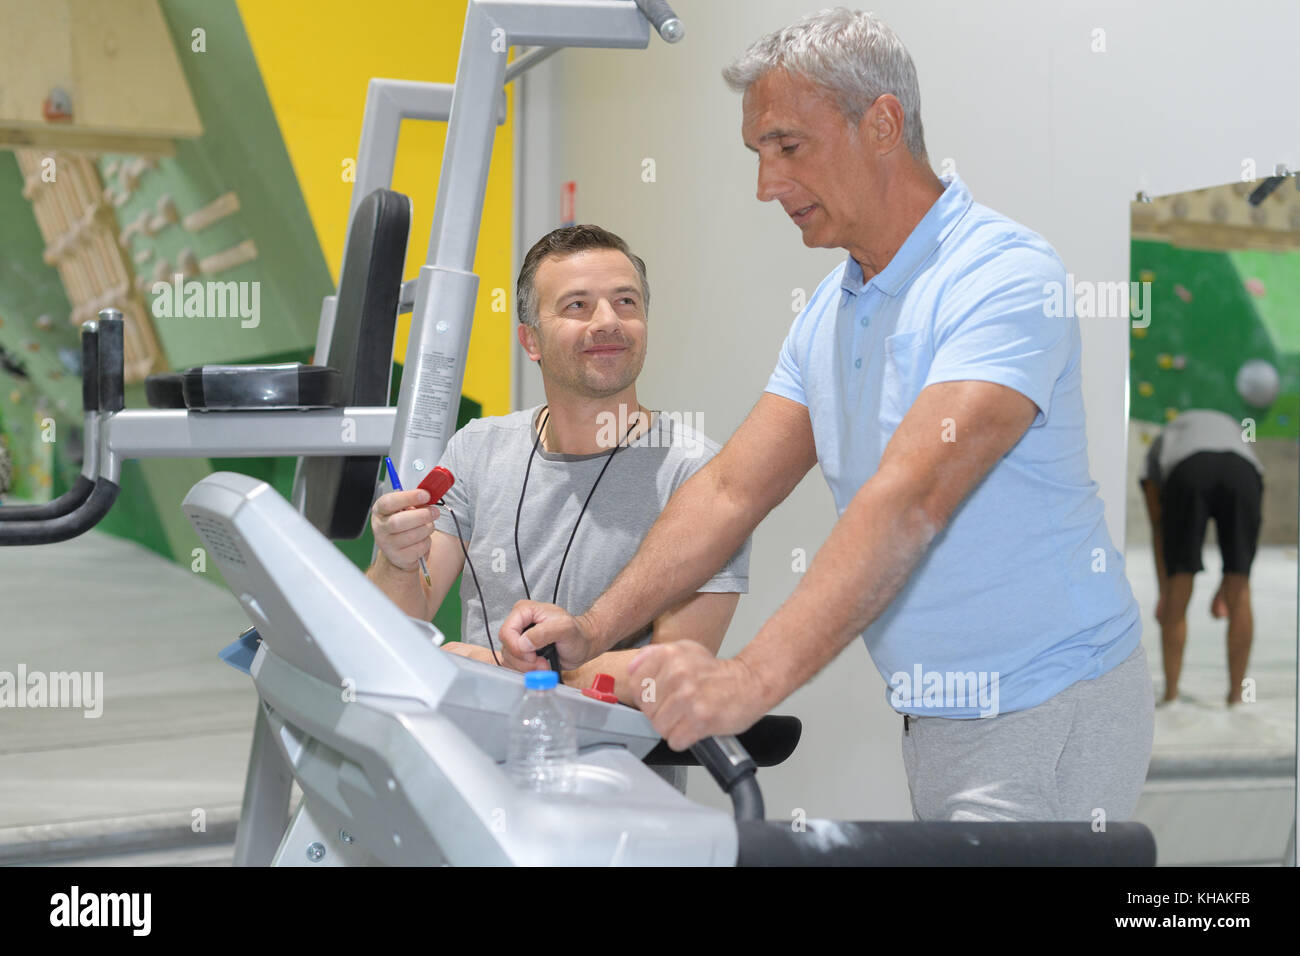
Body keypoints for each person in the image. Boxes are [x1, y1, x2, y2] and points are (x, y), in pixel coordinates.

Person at [500, 9, 1153, 823]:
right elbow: (733, 488)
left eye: (788, 147)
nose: (767, 184)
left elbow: (911, 499)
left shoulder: (1003, 277)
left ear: (881, 122)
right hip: (940, 716)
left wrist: (746, 681)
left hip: (1051, 699)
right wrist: (594, 629)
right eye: (758, 154)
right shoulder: (835, 310)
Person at [365, 224, 749, 713]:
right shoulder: (476, 449)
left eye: (626, 302)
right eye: (577, 305)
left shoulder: (700, 475)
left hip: (616, 772)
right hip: (475, 757)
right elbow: (399, 626)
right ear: (531, 341)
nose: (608, 321)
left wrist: (501, 668)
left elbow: (671, 673)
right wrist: (396, 561)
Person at [1139, 408, 1264, 705]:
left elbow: (1158, 527)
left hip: (1189, 471)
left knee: (1180, 582)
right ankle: (1236, 697)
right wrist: (1227, 585)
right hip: (1244, 473)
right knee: (1240, 585)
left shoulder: (1159, 446)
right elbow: (1246, 545)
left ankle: (1171, 694)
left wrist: (1164, 593)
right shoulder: (1235, 433)